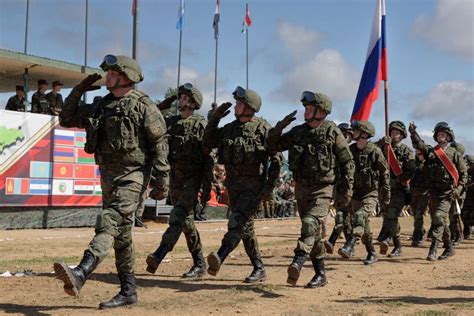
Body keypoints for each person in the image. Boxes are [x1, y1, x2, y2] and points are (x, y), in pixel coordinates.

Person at [53, 55, 170, 309]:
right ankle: (128, 292)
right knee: (122, 236)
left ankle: (82, 271)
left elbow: (159, 143)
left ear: (126, 77)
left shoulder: (143, 106)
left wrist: (162, 178)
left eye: (113, 73)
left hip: (134, 176)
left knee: (110, 220)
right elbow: (66, 118)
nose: (107, 76)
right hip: (108, 177)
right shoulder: (102, 105)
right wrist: (79, 89)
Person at [266, 91, 354, 288]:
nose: (305, 111)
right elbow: (272, 146)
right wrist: (280, 126)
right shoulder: (299, 132)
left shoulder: (332, 132)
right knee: (312, 233)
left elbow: (347, 162)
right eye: (305, 108)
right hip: (301, 189)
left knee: (309, 224)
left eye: (309, 108)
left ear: (321, 111)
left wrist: (346, 191)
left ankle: (298, 259)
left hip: (323, 189)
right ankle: (320, 274)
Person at [202, 86, 281, 283]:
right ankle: (259, 268)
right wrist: (214, 119)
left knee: (236, 223)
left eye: (239, 103)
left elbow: (277, 159)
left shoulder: (263, 129)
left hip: (253, 188)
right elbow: (207, 144)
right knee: (246, 229)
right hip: (234, 188)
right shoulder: (230, 128)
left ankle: (220, 256)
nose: (235, 106)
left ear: (249, 107)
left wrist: (269, 187)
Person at [146, 83, 213, 279]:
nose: (180, 100)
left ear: (192, 103)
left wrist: (206, 188)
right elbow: (152, 117)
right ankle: (200, 263)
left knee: (177, 218)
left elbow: (209, 159)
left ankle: (159, 254)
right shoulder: (172, 122)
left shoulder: (201, 125)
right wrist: (167, 102)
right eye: (180, 97)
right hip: (176, 179)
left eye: (184, 98)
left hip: (192, 180)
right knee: (186, 222)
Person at [409, 122, 467, 261]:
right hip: (433, 192)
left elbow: (463, 175)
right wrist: (413, 133)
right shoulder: (431, 152)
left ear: (448, 136)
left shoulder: (454, 155)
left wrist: (458, 190)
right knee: (440, 220)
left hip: (448, 193)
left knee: (439, 218)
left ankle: (433, 248)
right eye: (438, 133)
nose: (441, 135)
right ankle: (449, 247)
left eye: (443, 134)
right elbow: (420, 146)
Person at [336, 121, 390, 265]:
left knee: (360, 216)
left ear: (364, 134)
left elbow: (385, 174)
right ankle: (372, 252)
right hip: (355, 194)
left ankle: (350, 244)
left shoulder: (374, 151)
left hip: (370, 193)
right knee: (363, 225)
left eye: (355, 130)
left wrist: (386, 195)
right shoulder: (351, 150)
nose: (352, 132)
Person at [376, 121, 415, 257]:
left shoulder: (406, 150)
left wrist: (397, 180)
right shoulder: (383, 148)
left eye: (397, 133)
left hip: (399, 190)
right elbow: (370, 150)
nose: (394, 135)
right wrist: (382, 143)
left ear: (402, 135)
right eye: (392, 132)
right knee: (387, 216)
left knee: (392, 215)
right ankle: (388, 239)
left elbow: (410, 171)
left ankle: (396, 245)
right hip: (384, 189)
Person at [324, 122, 354, 254]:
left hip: (353, 191)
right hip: (339, 190)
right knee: (343, 219)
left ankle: (335, 241)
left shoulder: (354, 150)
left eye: (347, 135)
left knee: (347, 220)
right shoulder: (334, 152)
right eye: (343, 134)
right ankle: (348, 247)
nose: (345, 137)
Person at [410, 148, 430, 246]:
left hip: (424, 193)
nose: (419, 155)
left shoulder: (429, 165)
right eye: (417, 154)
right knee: (415, 214)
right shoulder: (414, 165)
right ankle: (421, 231)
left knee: (419, 214)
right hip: (414, 193)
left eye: (421, 154)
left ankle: (418, 235)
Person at [462, 155, 474, 239]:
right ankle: (467, 232)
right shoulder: (465, 172)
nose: (466, 165)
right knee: (464, 215)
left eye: (468, 163)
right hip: (467, 197)